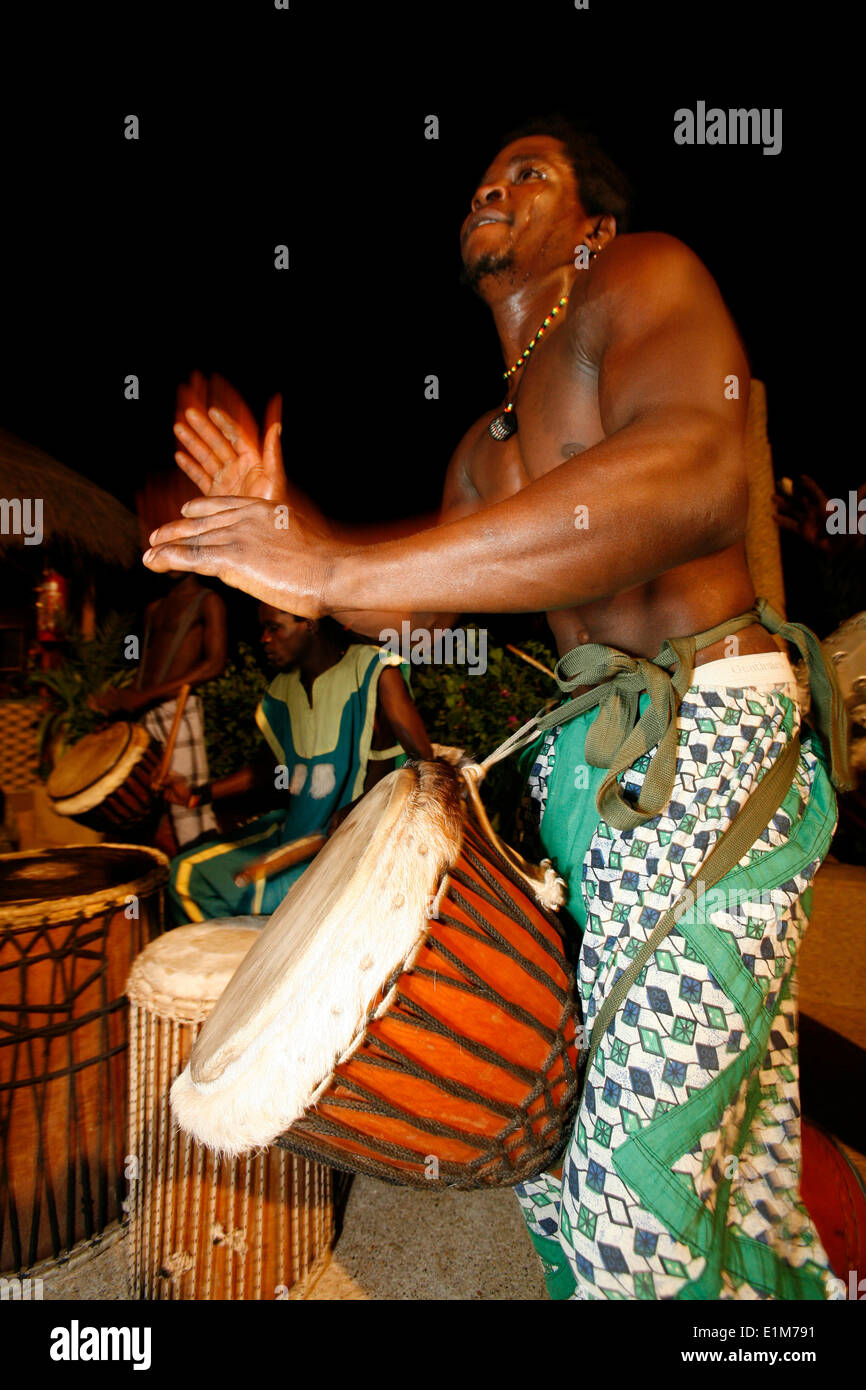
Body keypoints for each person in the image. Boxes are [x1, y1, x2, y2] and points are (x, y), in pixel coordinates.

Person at [143, 118, 850, 1301]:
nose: (495, 184)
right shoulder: (483, 445)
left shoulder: (640, 277)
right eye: (485, 174)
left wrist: (337, 575)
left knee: (628, 1210)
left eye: (534, 172)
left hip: (704, 745)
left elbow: (692, 472)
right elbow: (426, 614)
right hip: (585, 782)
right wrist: (306, 540)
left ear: (593, 224)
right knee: (689, 1150)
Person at [166, 604, 432, 922]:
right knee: (187, 872)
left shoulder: (373, 669)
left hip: (344, 850)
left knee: (193, 882)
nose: (264, 639)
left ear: (308, 623)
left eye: (274, 628)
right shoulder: (282, 690)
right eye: (262, 630)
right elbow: (266, 771)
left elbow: (423, 759)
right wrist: (198, 794)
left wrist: (359, 808)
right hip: (295, 836)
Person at [93, 573, 227, 847]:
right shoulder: (155, 608)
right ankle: (153, 880)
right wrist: (123, 705)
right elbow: (147, 667)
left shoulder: (208, 601)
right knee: (142, 804)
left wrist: (143, 697)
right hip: (146, 711)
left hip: (179, 708)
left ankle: (200, 877)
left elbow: (214, 664)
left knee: (188, 809)